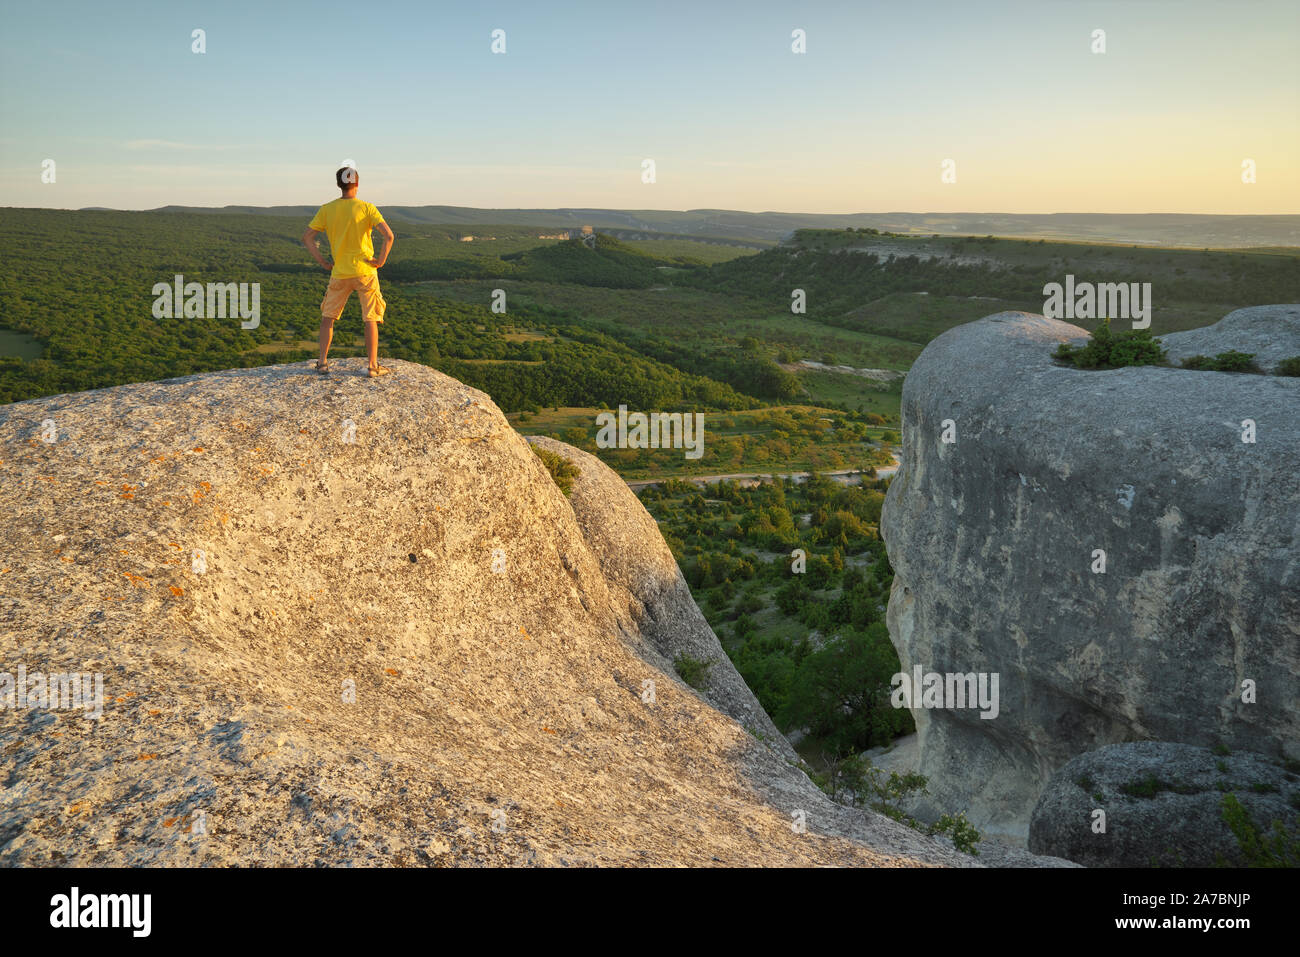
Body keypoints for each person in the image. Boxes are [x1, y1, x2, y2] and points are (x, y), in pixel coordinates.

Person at [302, 167, 395, 377]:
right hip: (365, 271)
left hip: (339, 271)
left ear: (339, 184)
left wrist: (324, 262)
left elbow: (307, 237)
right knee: (370, 318)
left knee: (328, 317)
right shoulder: (367, 208)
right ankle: (372, 366)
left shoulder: (327, 209)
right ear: (357, 184)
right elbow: (389, 236)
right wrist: (379, 261)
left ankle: (323, 363)